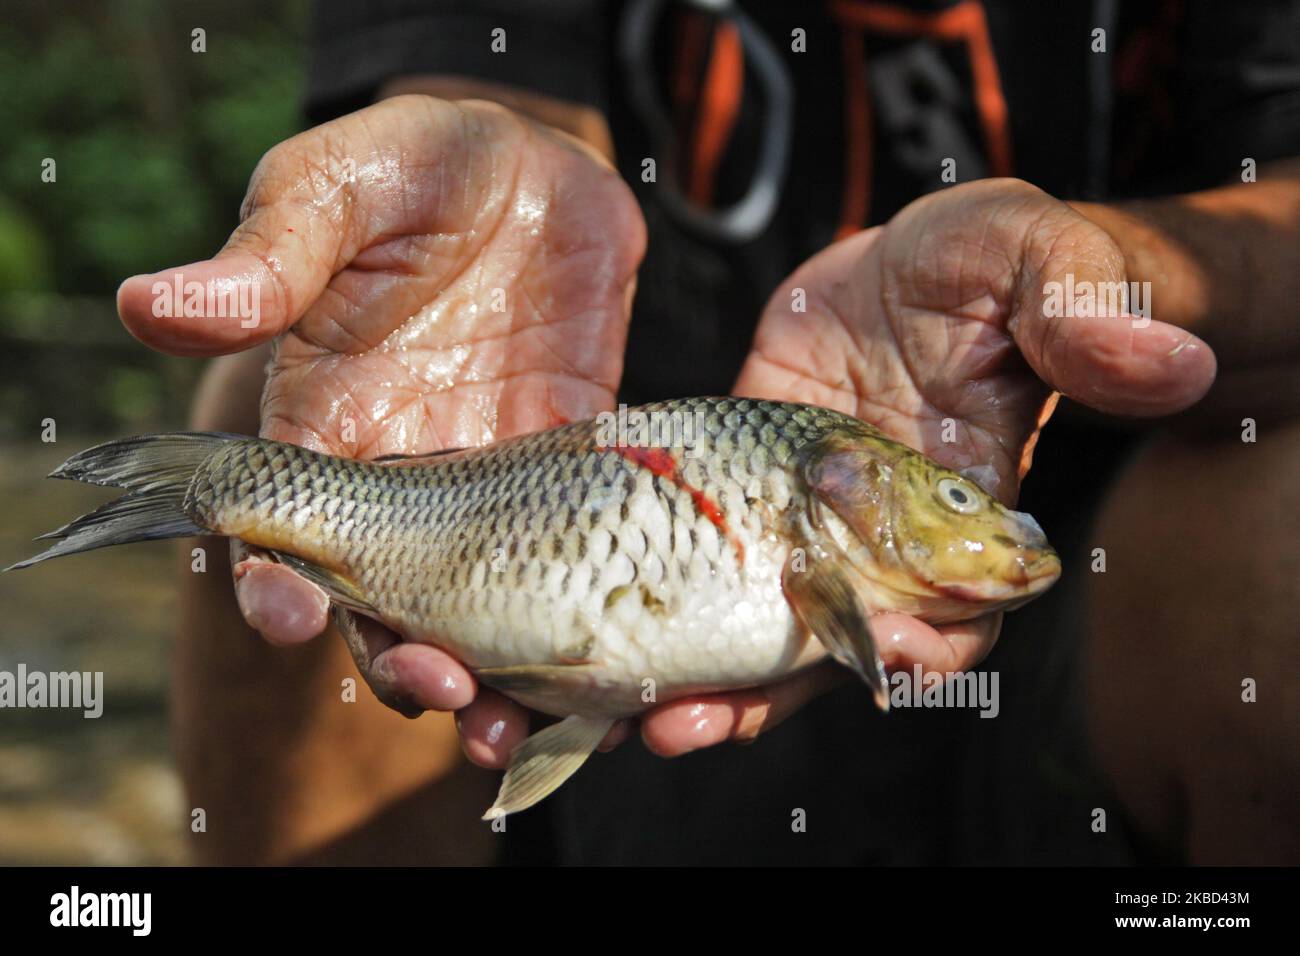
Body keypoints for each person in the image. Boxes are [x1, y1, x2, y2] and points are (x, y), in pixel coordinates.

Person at [116, 1, 1300, 863]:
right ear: (844, 486)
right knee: (270, 391)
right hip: (560, 407)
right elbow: (489, 66)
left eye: (952, 504)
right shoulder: (820, 532)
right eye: (947, 501)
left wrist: (1123, 263)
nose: (966, 520)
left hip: (1120, 525)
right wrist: (478, 159)